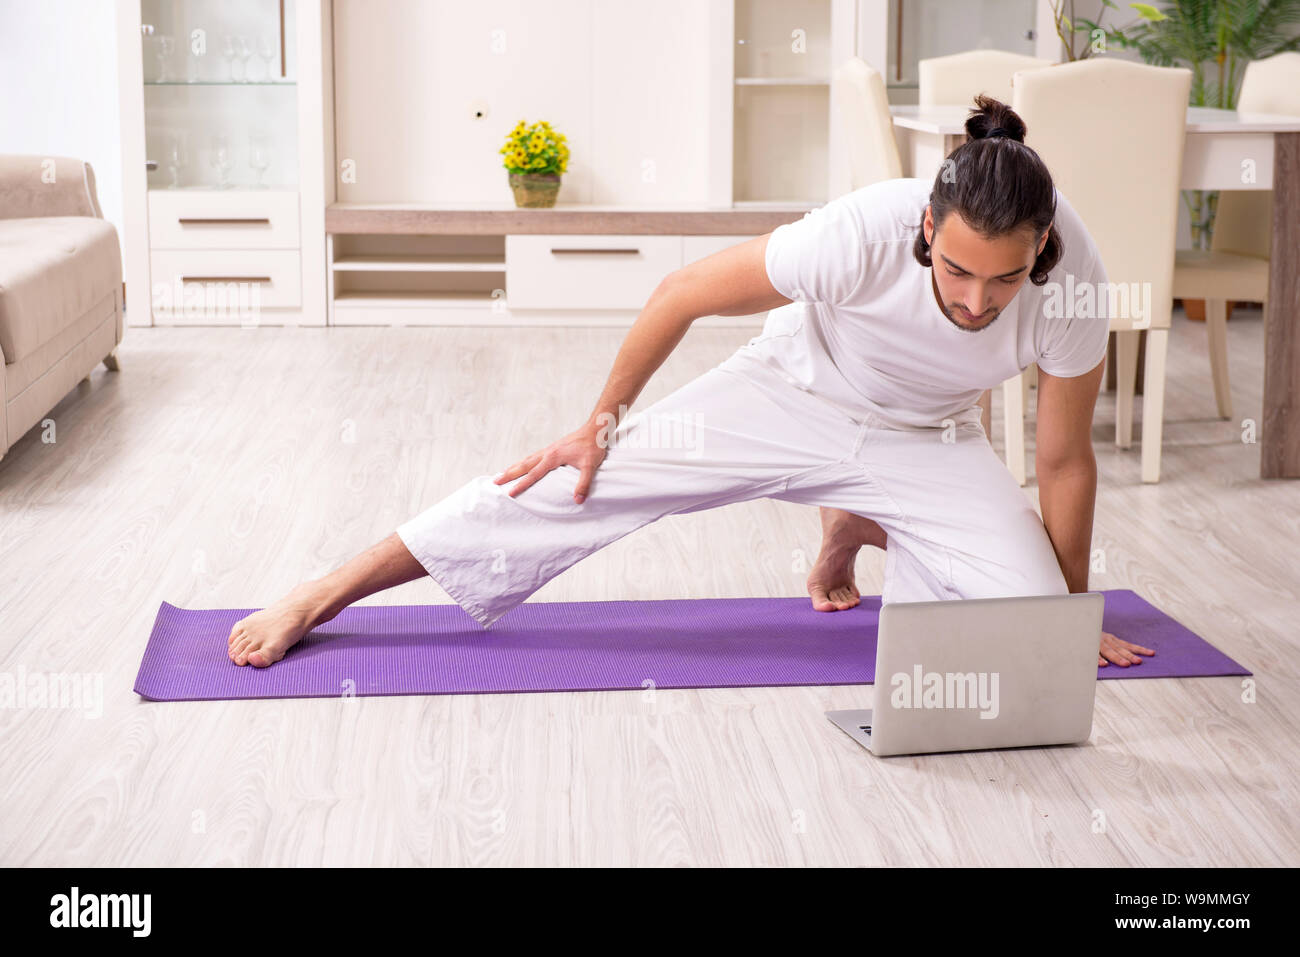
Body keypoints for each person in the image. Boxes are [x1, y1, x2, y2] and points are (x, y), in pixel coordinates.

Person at [226, 94, 1155, 670]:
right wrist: (599, 422)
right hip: (795, 392)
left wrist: (1066, 616)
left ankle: (858, 521)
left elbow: (1065, 461)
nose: (976, 300)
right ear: (924, 227)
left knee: (1022, 635)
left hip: (932, 439)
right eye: (956, 271)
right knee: (575, 487)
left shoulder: (1074, 282)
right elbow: (681, 293)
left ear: (1042, 247)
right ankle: (324, 590)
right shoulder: (858, 233)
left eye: (1002, 278)